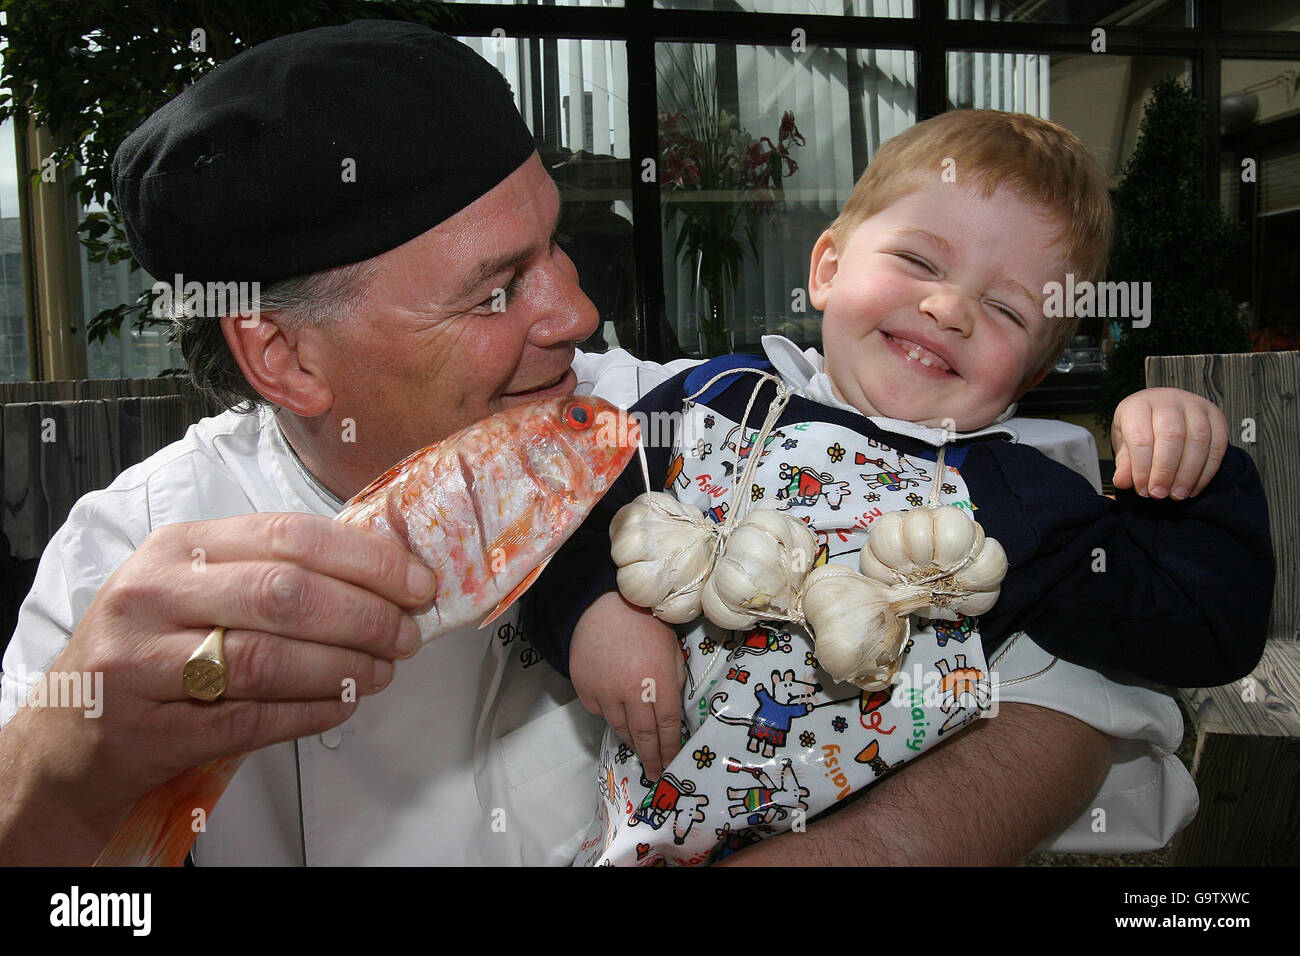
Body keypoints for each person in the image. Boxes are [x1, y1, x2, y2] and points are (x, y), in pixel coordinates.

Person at [0, 22, 1193, 866]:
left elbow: (1078, 688)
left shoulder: (701, 421)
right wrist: (68, 755)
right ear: (288, 359)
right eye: (496, 290)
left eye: (555, 247)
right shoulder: (138, 551)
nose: (574, 313)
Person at [523, 110, 1273, 864]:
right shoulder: (713, 399)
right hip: (626, 833)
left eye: (1005, 308)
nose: (948, 309)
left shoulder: (1023, 500)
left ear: (1032, 376)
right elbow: (558, 522)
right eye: (919, 261)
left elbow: (1208, 632)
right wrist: (590, 613)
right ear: (827, 268)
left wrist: (1193, 473)